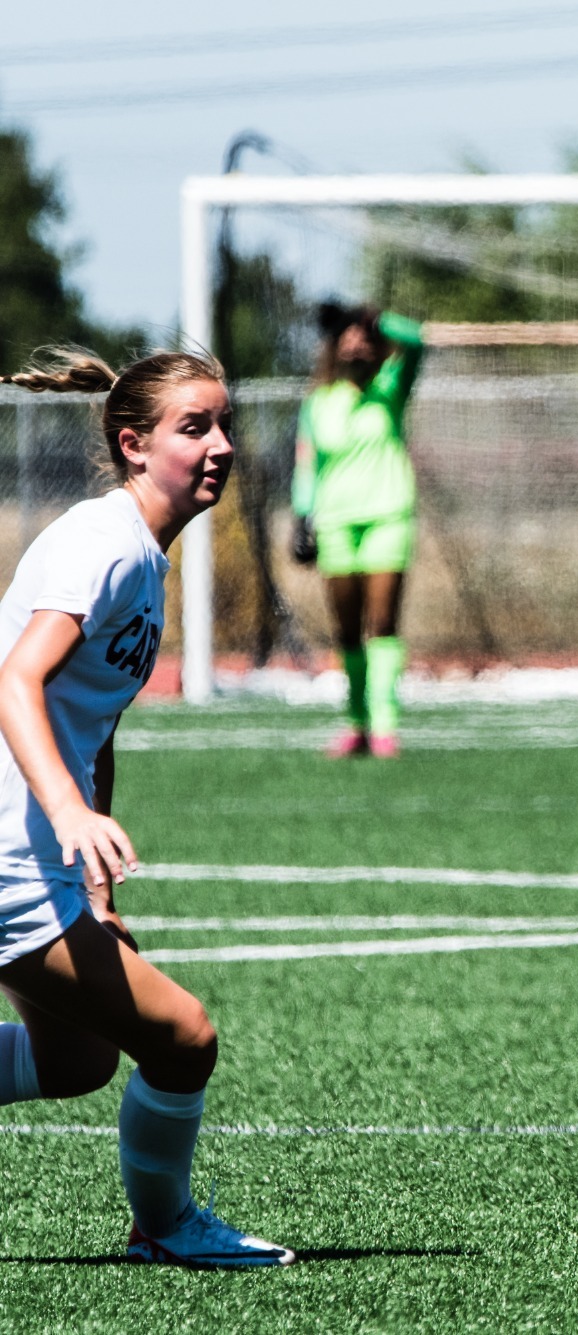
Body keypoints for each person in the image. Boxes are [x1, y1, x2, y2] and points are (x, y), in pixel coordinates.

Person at [0, 347, 293, 1267]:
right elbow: (15, 680)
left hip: (37, 850)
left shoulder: (143, 557)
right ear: (134, 444)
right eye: (194, 427)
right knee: (184, 1038)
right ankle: (164, 1226)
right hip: (8, 847)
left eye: (225, 424)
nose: (222, 445)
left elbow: (94, 727)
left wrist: (96, 887)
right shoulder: (108, 545)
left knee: (77, 1061)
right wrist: (69, 814)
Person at [292, 302, 425, 759]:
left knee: (383, 623)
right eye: (347, 335)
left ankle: (385, 724)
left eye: (363, 336)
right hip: (335, 523)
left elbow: (417, 340)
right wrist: (301, 517)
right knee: (346, 630)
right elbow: (308, 465)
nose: (355, 342)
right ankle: (356, 722)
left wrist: (378, 319)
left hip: (388, 517)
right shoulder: (319, 402)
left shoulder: (391, 389)